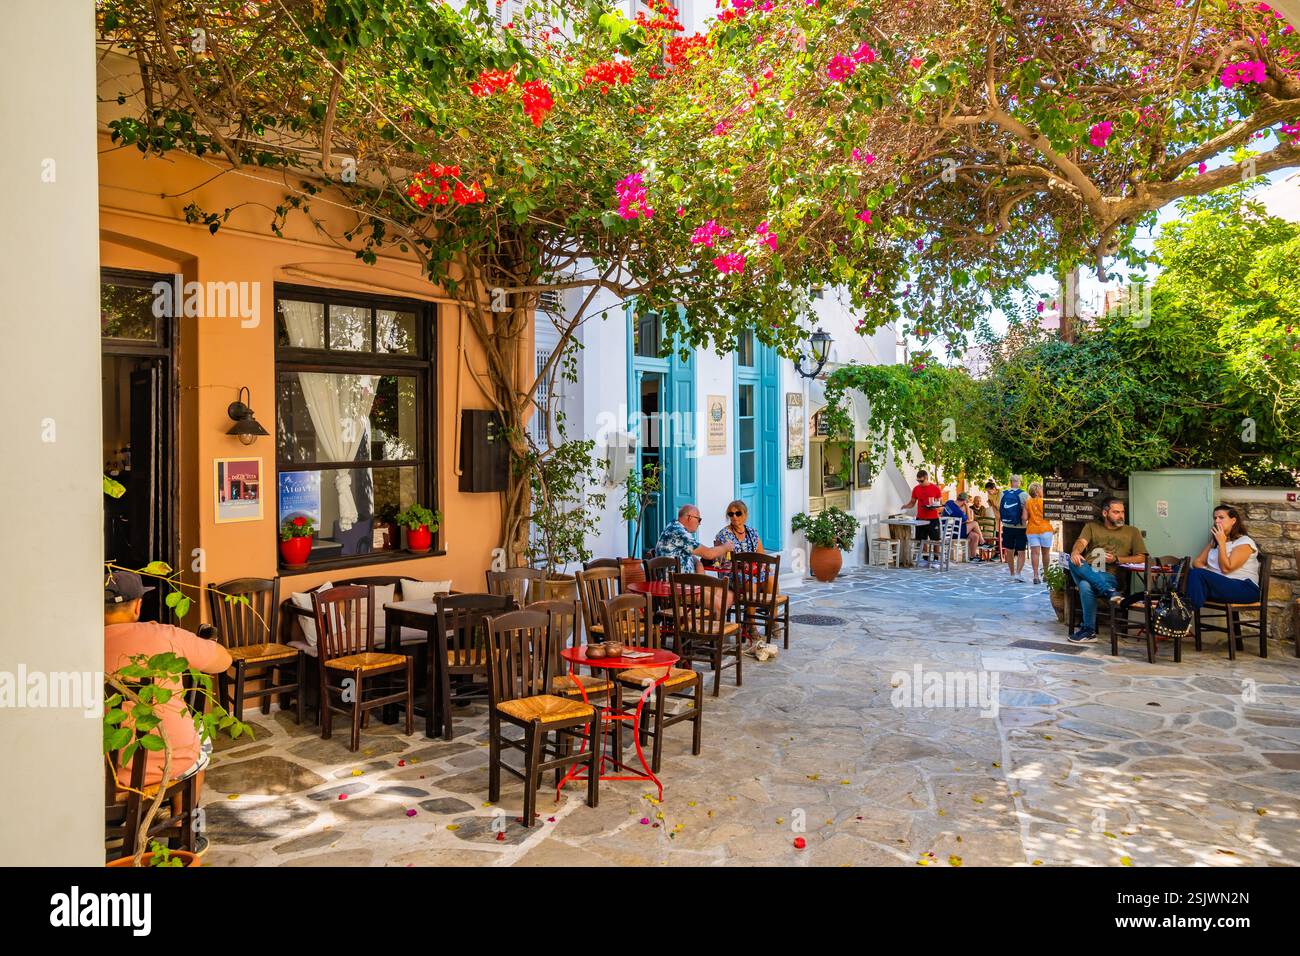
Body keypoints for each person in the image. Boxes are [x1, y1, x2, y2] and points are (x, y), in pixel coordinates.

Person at [104, 569, 232, 801]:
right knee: (200, 737)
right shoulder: (165, 635)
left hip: (103, 774)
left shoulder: (77, 648)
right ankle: (185, 824)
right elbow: (223, 661)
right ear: (137, 606)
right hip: (170, 761)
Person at [1066, 497, 1147, 643]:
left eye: (1122, 512)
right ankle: (1108, 592)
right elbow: (1081, 542)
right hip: (1088, 569)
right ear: (1105, 513)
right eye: (1116, 512)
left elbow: (1142, 558)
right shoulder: (1091, 527)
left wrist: (1117, 559)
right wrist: (1076, 552)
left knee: (1085, 584)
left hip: (1110, 576)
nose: (1121, 515)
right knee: (1072, 561)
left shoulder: (1132, 532)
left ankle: (1088, 631)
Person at [1185, 505, 1261, 610]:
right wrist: (1210, 574)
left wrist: (1222, 543)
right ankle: (1174, 610)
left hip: (1244, 588)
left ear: (1233, 521)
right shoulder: (1215, 541)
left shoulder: (1244, 542)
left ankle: (1184, 614)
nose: (1217, 521)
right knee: (1182, 572)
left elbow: (1226, 569)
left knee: (1198, 574)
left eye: (1221, 518)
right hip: (1221, 586)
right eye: (1215, 518)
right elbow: (1197, 562)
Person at [654, 503, 731, 573]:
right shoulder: (679, 533)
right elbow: (708, 554)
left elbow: (685, 552)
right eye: (699, 519)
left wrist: (698, 563)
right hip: (677, 585)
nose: (699, 523)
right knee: (724, 588)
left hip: (681, 582)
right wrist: (726, 547)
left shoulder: (674, 527)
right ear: (689, 518)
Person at [902, 468, 944, 566]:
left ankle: (937, 559)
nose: (919, 482)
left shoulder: (935, 489)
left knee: (936, 539)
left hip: (933, 518)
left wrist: (935, 506)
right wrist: (906, 506)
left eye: (921, 481)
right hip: (920, 518)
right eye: (918, 481)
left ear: (926, 478)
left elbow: (940, 504)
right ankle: (925, 558)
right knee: (922, 539)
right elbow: (912, 502)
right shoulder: (916, 489)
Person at [998, 475, 1030, 582]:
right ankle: (1018, 573)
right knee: (1021, 551)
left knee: (1009, 550)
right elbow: (1028, 511)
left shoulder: (1003, 493)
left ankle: (1011, 573)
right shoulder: (1024, 495)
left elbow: (1000, 509)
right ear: (1019, 482)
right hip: (1021, 527)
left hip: (1007, 526)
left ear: (1010, 482)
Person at [1025, 481, 1054, 584]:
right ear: (1037, 491)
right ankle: (1046, 574)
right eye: (1041, 489)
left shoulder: (1027, 502)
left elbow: (1024, 518)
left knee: (1035, 553)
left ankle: (1036, 576)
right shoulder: (1045, 502)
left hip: (1032, 530)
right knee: (1045, 553)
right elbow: (1051, 516)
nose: (1042, 491)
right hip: (1045, 529)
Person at [941, 493, 984, 560]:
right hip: (954, 533)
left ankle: (973, 556)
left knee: (975, 536)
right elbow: (970, 520)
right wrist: (967, 507)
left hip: (948, 531)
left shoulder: (949, 502)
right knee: (975, 523)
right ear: (964, 501)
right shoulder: (959, 512)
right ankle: (982, 541)